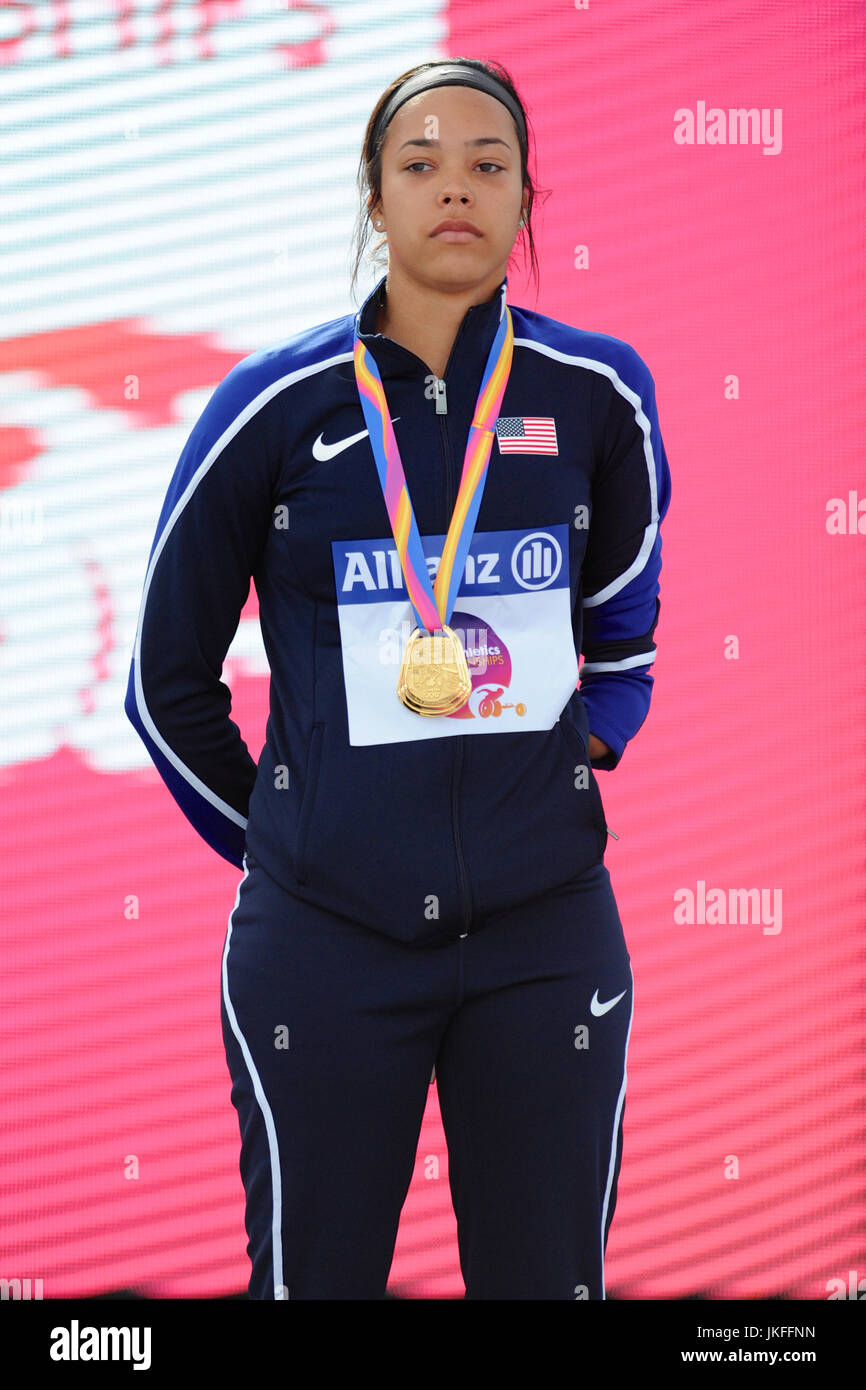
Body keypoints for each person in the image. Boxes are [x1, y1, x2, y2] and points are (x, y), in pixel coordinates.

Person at [124, 56, 672, 1301]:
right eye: (419, 163)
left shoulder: (597, 394)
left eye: (488, 164)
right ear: (374, 195)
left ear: (530, 197)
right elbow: (167, 684)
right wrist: (295, 844)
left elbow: (624, 635)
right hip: (322, 951)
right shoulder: (268, 406)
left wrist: (566, 764)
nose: (454, 188)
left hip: (544, 940)